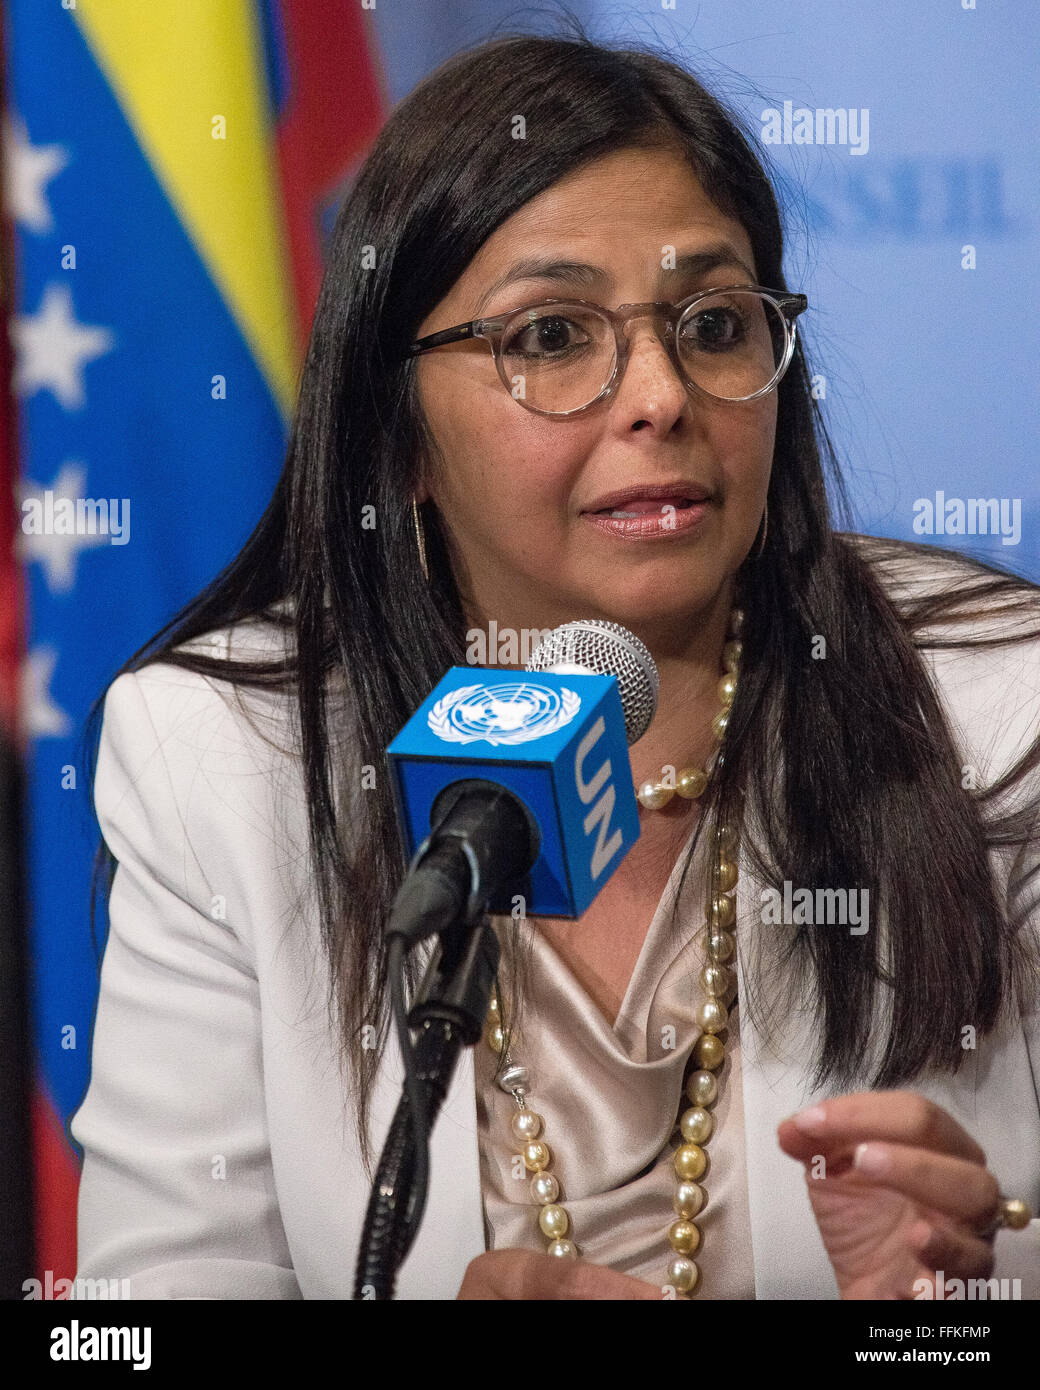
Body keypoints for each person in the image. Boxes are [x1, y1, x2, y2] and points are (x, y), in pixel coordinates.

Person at [70, 32, 1040, 1301]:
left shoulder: (999, 704)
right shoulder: (218, 759)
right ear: (396, 433)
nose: (657, 395)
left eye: (709, 322)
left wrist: (948, 1320)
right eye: (550, 335)